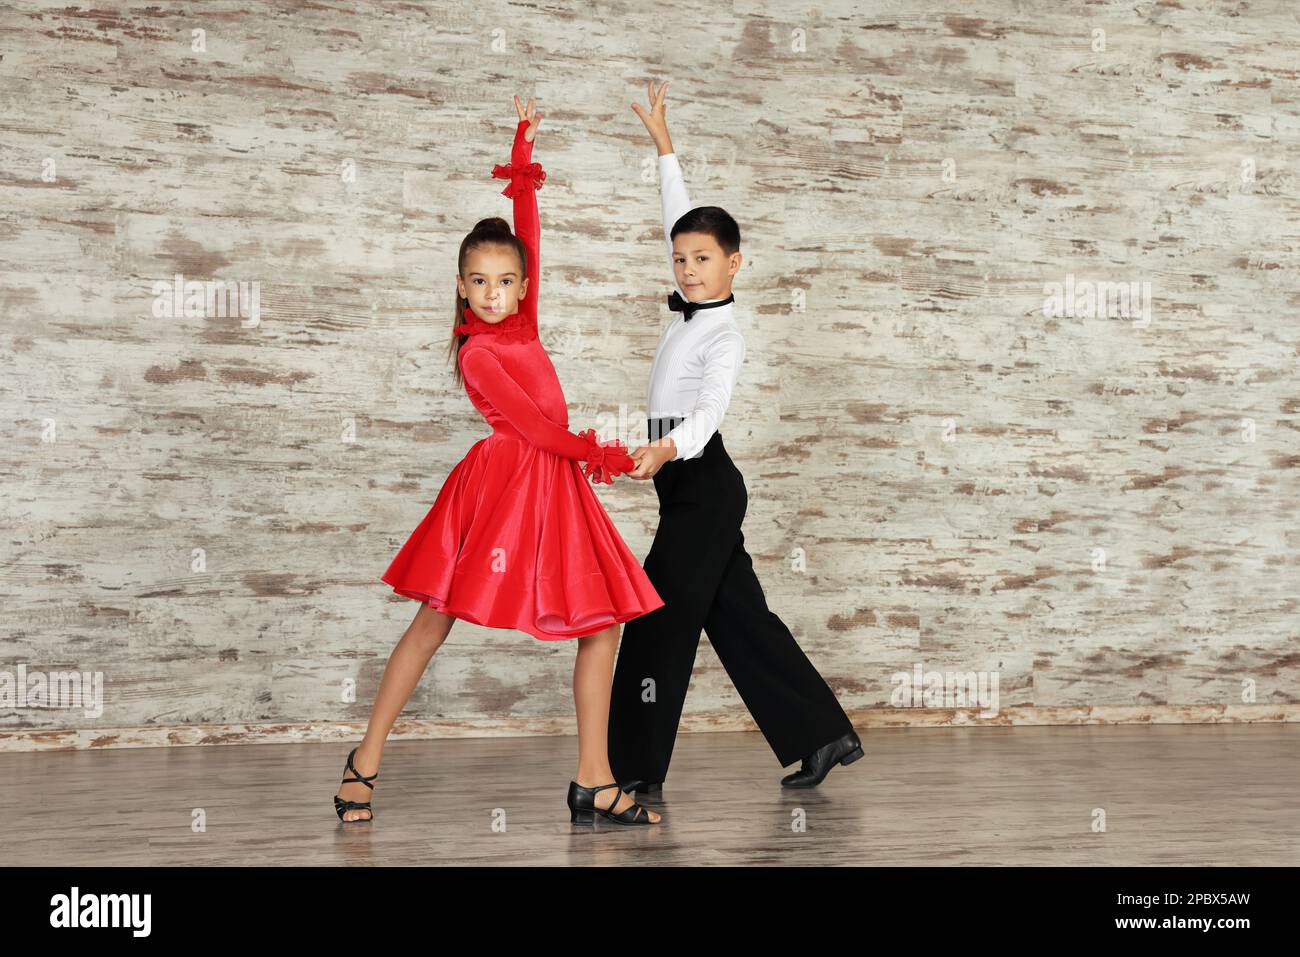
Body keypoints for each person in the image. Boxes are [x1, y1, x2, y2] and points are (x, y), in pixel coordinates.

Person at [333, 97, 664, 827]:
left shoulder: (525, 318)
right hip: (507, 485)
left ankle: (592, 777)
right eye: (477, 281)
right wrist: (605, 455)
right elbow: (539, 431)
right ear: (460, 286)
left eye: (504, 280)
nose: (492, 293)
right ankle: (365, 758)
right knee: (435, 620)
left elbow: (531, 240)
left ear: (519, 286)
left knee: (602, 623)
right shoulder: (479, 354)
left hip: (554, 488)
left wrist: (522, 165)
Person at [608, 80, 863, 794]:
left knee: (657, 619)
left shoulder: (725, 335)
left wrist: (666, 446)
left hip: (703, 483)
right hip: (686, 482)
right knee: (741, 616)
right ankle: (822, 734)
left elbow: (710, 411)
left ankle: (629, 772)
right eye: (680, 259)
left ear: (734, 264)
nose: (687, 268)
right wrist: (665, 147)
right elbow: (677, 215)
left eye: (702, 259)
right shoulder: (688, 299)